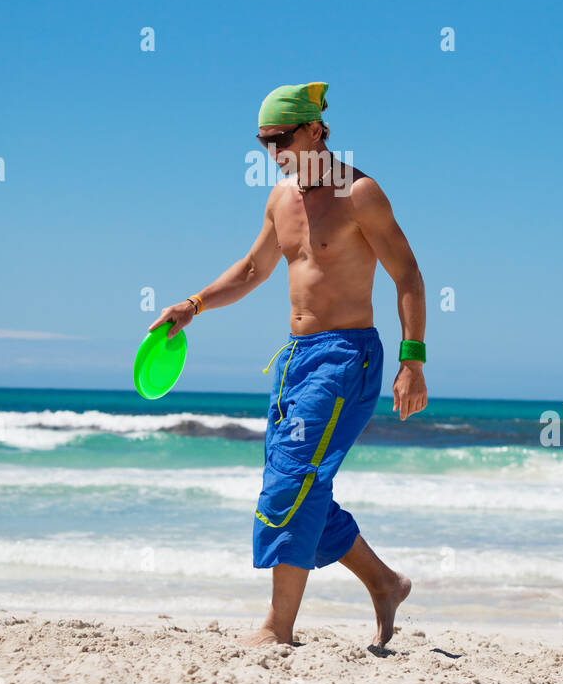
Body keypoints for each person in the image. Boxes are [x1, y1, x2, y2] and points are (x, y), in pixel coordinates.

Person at [150, 82, 427, 649]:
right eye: (264, 141)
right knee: (298, 482)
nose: (274, 149)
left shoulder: (361, 194)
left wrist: (412, 361)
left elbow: (408, 276)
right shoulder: (280, 199)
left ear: (316, 130)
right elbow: (254, 269)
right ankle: (383, 582)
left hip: (347, 357)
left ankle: (278, 628)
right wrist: (194, 305)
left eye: (281, 137)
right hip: (296, 361)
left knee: (292, 479)